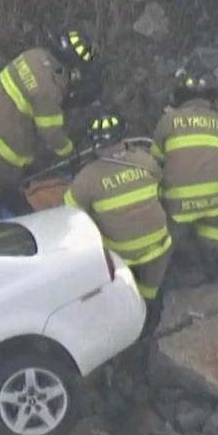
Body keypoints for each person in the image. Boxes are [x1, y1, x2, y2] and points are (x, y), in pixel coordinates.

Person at [0, 29, 103, 216]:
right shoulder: (50, 90)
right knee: (7, 178)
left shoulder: (33, 56)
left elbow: (29, 97)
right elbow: (50, 133)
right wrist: (69, 150)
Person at [63, 110, 174, 340]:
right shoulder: (146, 161)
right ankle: (150, 314)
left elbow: (68, 214)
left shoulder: (87, 178)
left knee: (121, 296)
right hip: (160, 247)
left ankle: (128, 325)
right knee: (149, 293)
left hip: (122, 257)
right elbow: (160, 188)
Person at [151, 68, 218, 279]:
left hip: (178, 205)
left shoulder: (166, 122)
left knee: (169, 237)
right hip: (217, 200)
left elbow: (155, 159)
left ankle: (174, 258)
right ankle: (212, 252)